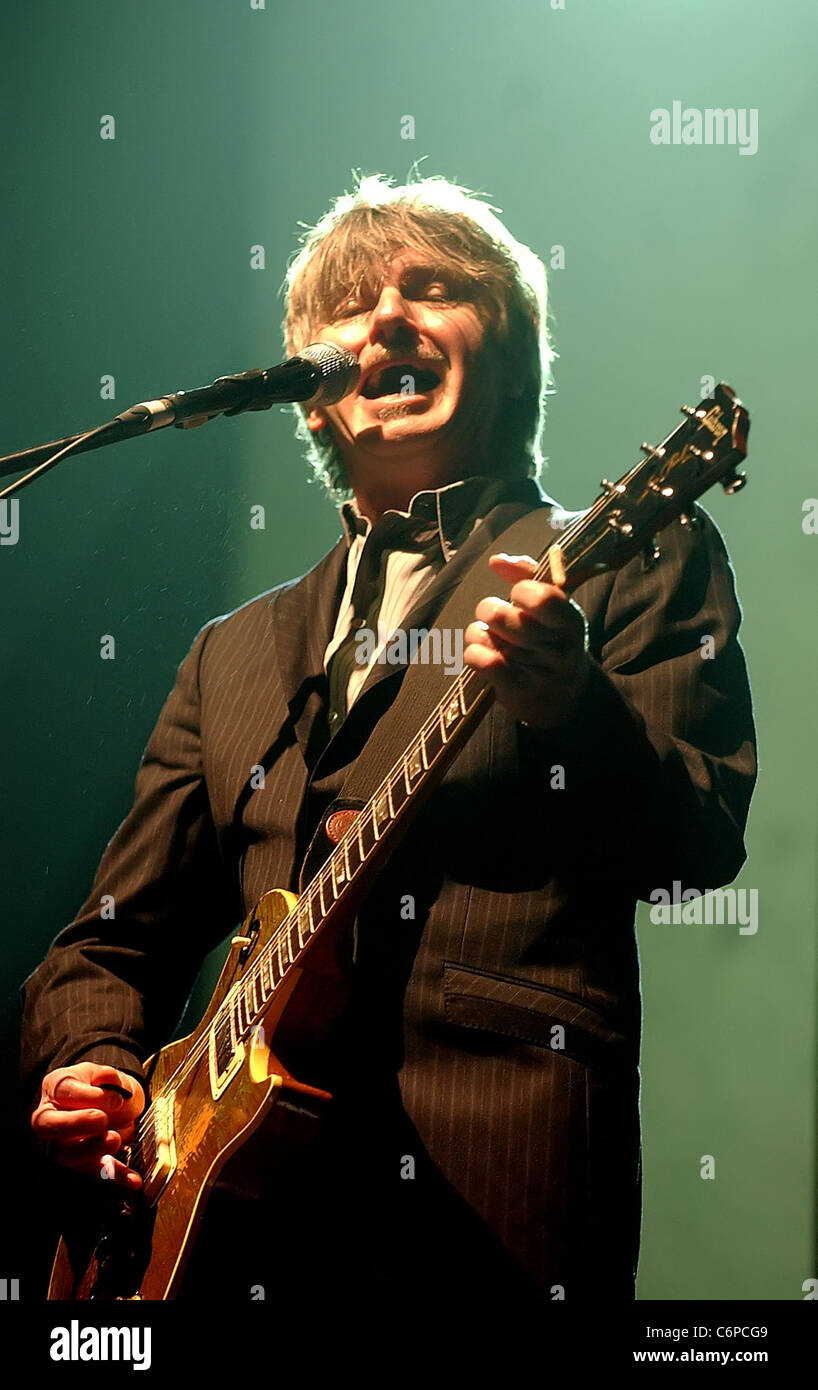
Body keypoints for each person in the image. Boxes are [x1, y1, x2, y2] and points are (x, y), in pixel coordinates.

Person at [20, 173, 756, 1308]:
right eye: (352, 305)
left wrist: (571, 706)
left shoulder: (630, 556)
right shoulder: (231, 652)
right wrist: (93, 1065)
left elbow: (694, 844)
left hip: (490, 1205)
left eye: (435, 290)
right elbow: (112, 941)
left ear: (512, 360)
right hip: (220, 1226)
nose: (389, 317)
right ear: (309, 394)